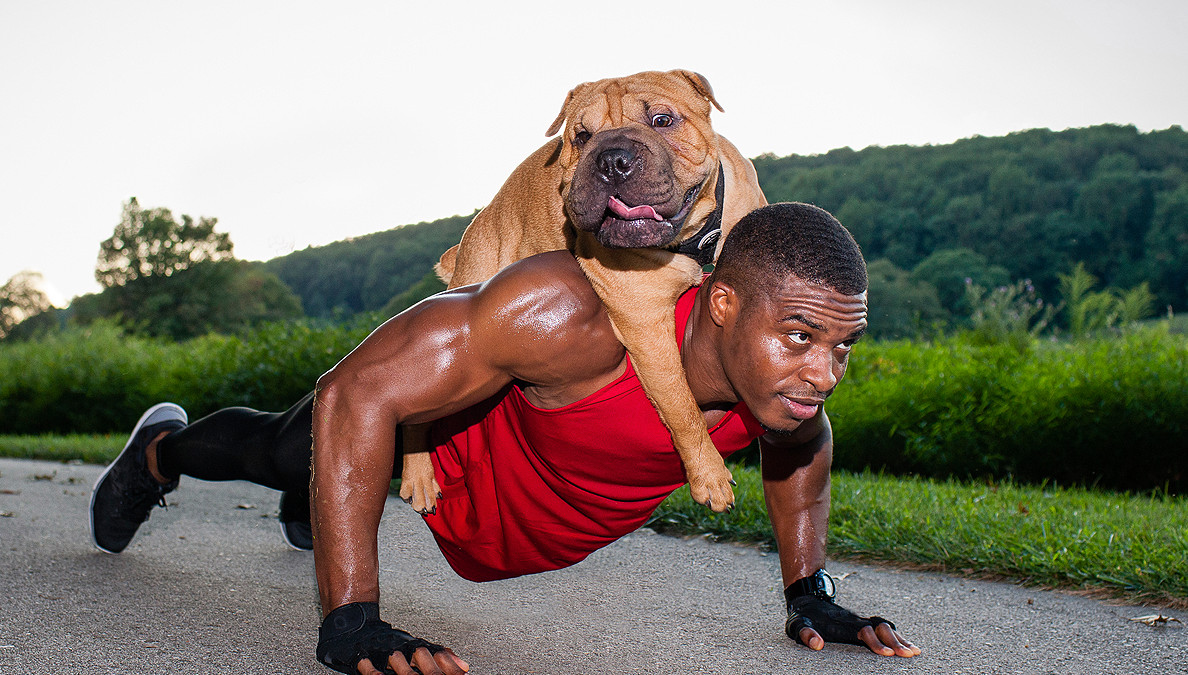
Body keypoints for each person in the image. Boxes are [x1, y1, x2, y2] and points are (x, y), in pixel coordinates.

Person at [90, 202, 920, 675]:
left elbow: (802, 461)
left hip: (498, 531)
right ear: (725, 304)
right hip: (438, 443)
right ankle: (158, 451)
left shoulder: (778, 397)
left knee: (314, 471)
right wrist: (352, 618)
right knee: (283, 448)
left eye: (842, 345)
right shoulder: (574, 314)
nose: (824, 372)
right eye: (803, 336)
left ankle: (316, 503)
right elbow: (358, 390)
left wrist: (809, 594)